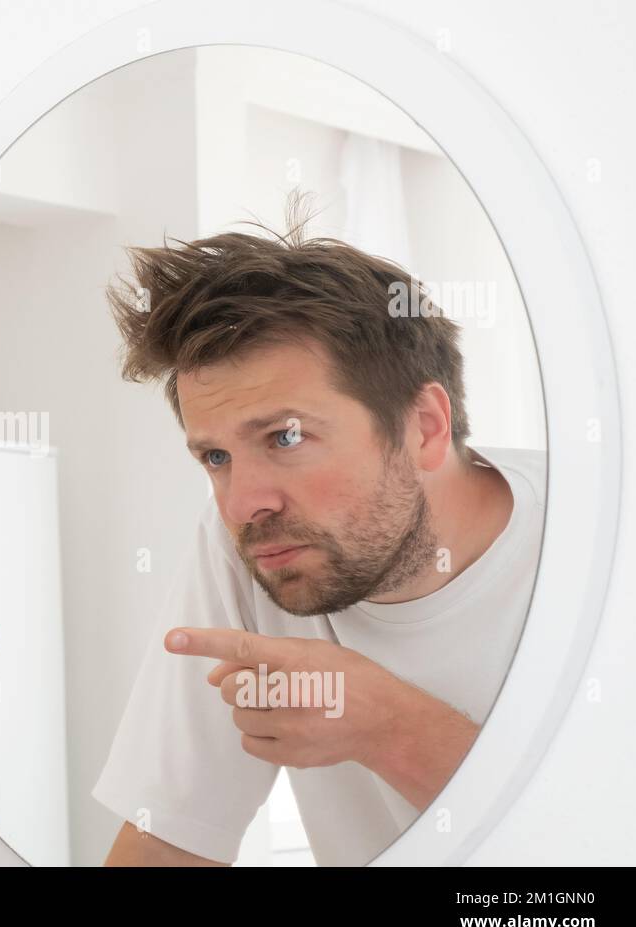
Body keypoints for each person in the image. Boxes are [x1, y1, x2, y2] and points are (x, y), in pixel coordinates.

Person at [93, 220, 545, 866]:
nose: (244, 503)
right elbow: (166, 841)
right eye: (216, 456)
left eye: (285, 438)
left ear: (424, 428)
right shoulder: (247, 546)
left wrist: (387, 724)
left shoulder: (601, 536)